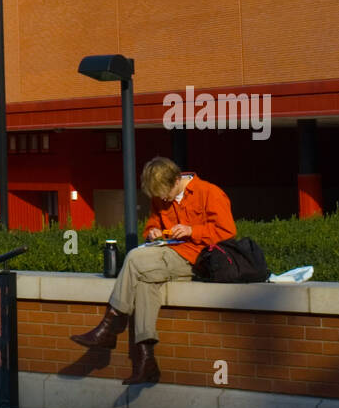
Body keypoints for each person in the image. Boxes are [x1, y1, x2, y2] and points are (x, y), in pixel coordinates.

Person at [71, 157, 236, 385]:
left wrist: (192, 230)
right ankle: (146, 362)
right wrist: (152, 232)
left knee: (135, 257)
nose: (163, 199)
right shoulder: (161, 196)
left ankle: (110, 325)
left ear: (177, 179)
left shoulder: (210, 192)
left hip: (197, 258)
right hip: (166, 254)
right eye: (158, 196)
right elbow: (151, 224)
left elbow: (227, 232)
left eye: (165, 193)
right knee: (146, 284)